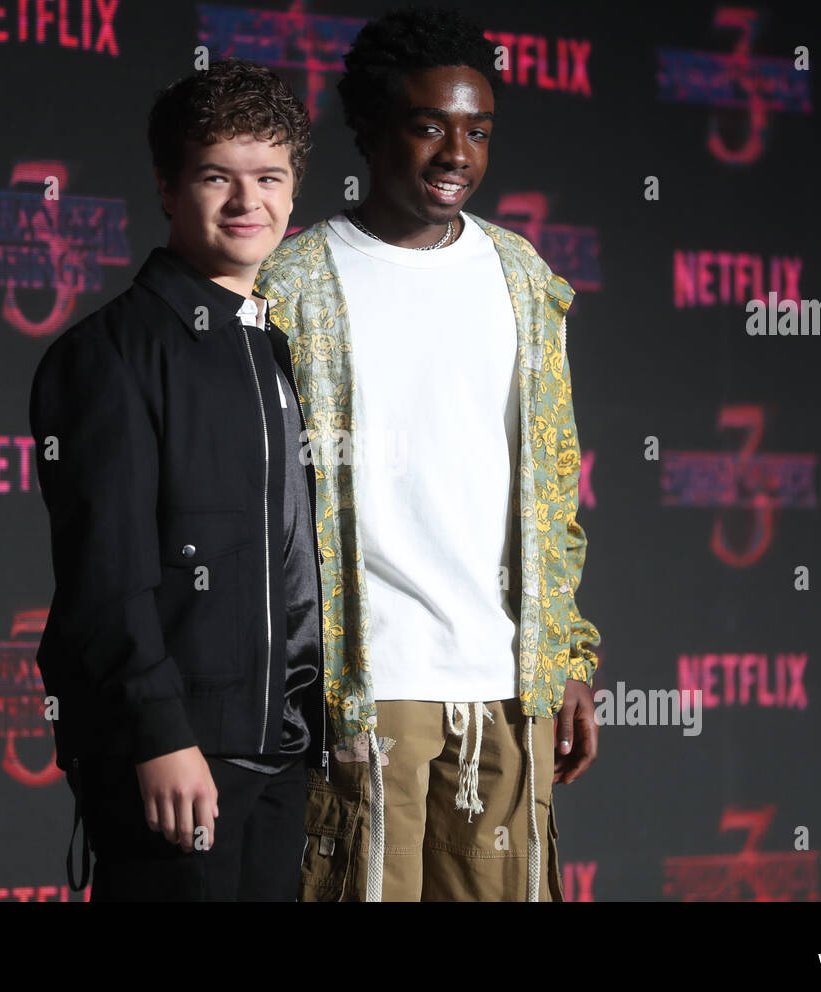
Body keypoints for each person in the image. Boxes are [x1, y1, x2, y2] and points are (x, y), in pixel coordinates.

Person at [256, 6, 603, 902]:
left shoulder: (522, 277)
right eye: (428, 126)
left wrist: (567, 657)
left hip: (505, 680)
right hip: (364, 684)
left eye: (478, 131)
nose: (457, 152)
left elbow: (554, 481)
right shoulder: (291, 284)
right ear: (370, 130)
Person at [28, 58, 323, 901]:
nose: (246, 203)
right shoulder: (107, 358)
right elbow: (104, 579)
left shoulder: (282, 351)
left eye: (269, 178)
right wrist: (158, 734)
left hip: (289, 749)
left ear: (294, 193)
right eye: (215, 178)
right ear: (166, 188)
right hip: (177, 755)